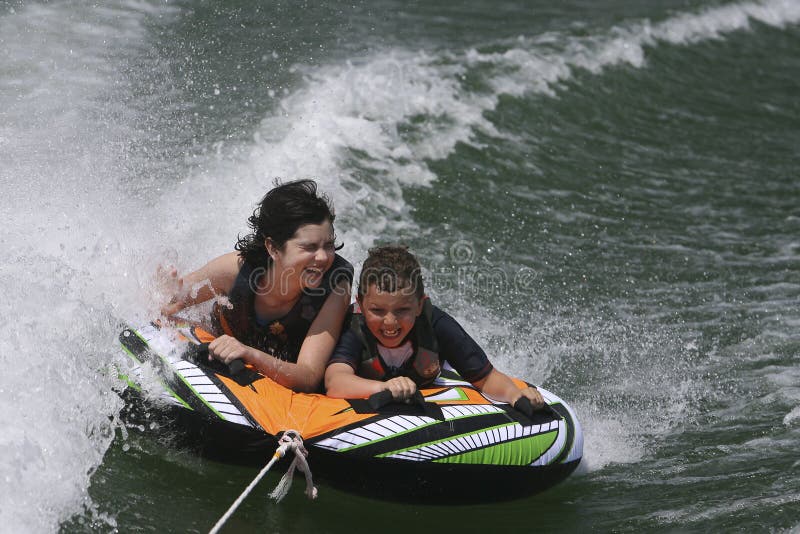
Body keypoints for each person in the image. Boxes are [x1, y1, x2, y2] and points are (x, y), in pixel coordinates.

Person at [159, 179, 353, 393]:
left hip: (278, 388)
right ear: (273, 248)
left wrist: (249, 354)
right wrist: (166, 289)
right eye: (309, 247)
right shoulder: (235, 270)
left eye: (329, 245)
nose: (323, 257)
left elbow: (308, 376)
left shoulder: (336, 286)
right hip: (215, 357)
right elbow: (167, 306)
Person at [324, 245, 545, 409]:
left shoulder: (436, 324)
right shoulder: (354, 327)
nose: (390, 321)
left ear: (420, 305)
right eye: (377, 310)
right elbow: (335, 382)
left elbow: (485, 377)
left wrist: (515, 395)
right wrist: (385, 387)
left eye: (402, 310)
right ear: (361, 304)